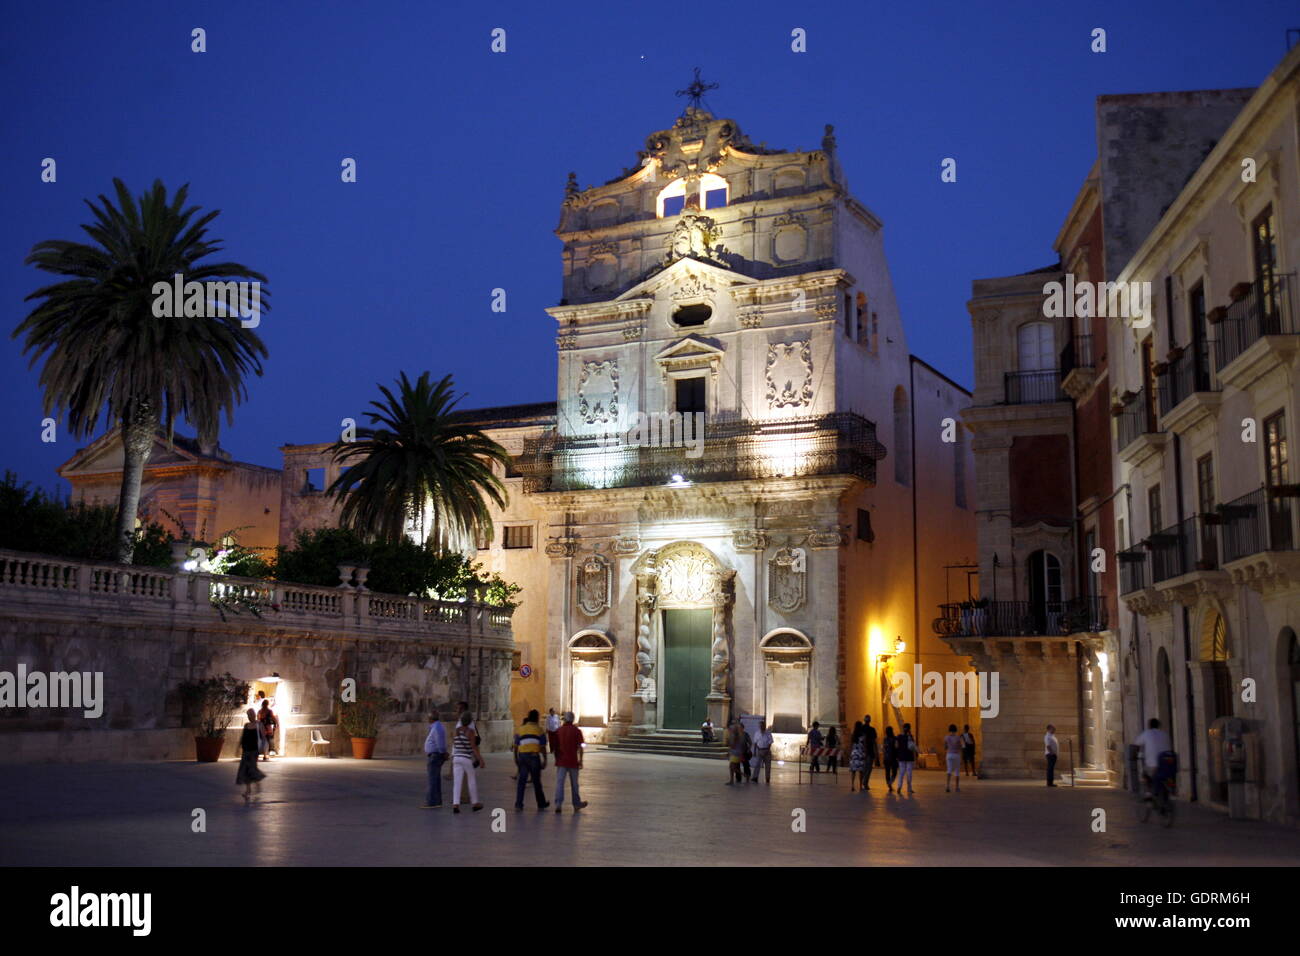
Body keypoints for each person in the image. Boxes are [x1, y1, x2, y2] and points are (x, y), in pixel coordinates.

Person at [514, 709, 550, 811]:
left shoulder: (520, 729)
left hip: (523, 757)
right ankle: (541, 803)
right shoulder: (539, 730)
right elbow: (542, 747)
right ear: (537, 718)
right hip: (534, 757)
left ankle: (519, 804)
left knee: (522, 781)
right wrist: (545, 760)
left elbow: (516, 746)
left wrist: (516, 758)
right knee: (536, 781)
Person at [552, 711, 588, 812]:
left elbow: (555, 747)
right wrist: (581, 760)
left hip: (561, 761)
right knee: (574, 784)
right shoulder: (577, 731)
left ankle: (558, 804)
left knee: (560, 783)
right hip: (573, 761)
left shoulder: (559, 731)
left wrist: (557, 759)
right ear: (573, 719)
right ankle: (576, 803)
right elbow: (581, 746)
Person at [451, 711, 485, 813]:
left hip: (456, 758)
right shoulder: (470, 732)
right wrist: (480, 759)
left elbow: (455, 743)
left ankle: (455, 804)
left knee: (457, 782)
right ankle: (475, 803)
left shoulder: (456, 730)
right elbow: (474, 747)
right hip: (465, 758)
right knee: (471, 779)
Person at [1133, 717, 1175, 795]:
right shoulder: (1165, 734)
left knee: (1146, 775)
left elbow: (1136, 745)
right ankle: (1168, 790)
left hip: (1152, 764)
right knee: (1168, 777)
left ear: (1149, 726)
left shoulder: (1147, 733)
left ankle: (1148, 793)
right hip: (1166, 764)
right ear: (1159, 725)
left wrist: (1136, 755)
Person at [235, 707, 266, 802]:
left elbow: (263, 737)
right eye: (248, 715)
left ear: (254, 715)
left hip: (254, 751)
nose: (249, 717)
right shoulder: (246, 725)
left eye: (251, 715)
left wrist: (263, 749)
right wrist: (238, 747)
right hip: (246, 750)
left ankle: (258, 784)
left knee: (252, 768)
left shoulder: (259, 724)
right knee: (245, 769)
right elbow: (242, 737)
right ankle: (248, 790)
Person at [422, 709, 448, 808]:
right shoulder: (436, 726)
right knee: (435, 779)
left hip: (435, 755)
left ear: (430, 718)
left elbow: (440, 743)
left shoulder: (437, 728)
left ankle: (431, 801)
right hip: (435, 755)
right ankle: (437, 800)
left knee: (432, 779)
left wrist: (443, 753)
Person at [895, 722, 917, 795]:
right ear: (909, 729)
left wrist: (897, 755)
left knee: (901, 772)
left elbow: (896, 746)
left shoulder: (899, 736)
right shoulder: (910, 737)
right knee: (909, 773)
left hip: (901, 757)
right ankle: (909, 789)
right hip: (909, 757)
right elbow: (913, 747)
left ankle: (899, 787)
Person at [943, 724, 963, 792]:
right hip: (956, 755)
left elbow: (945, 747)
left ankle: (947, 786)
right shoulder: (958, 738)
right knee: (957, 771)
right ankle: (957, 787)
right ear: (955, 730)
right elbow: (961, 747)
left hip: (949, 755)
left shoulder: (946, 737)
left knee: (949, 770)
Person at [726, 720, 745, 785]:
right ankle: (732, 780)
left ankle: (743, 775)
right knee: (733, 767)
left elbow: (733, 745)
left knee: (732, 767)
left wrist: (728, 742)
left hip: (735, 753)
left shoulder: (735, 736)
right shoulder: (738, 735)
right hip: (736, 753)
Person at [862, 715, 878, 790]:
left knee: (864, 767)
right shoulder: (872, 730)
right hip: (870, 751)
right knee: (869, 768)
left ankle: (862, 781)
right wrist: (876, 752)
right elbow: (874, 742)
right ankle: (865, 782)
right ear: (870, 721)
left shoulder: (861, 729)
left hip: (862, 751)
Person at [849, 722, 866, 792]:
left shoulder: (853, 735)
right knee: (861, 771)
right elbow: (864, 746)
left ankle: (852, 785)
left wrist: (850, 754)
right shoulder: (863, 736)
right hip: (860, 754)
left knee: (853, 771)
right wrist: (865, 753)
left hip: (854, 753)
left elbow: (851, 745)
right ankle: (860, 786)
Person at [882, 726, 899, 792]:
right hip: (893, 758)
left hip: (887, 758)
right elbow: (897, 748)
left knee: (887, 772)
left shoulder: (885, 739)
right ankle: (890, 783)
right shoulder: (895, 739)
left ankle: (889, 785)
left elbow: (884, 748)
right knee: (894, 772)